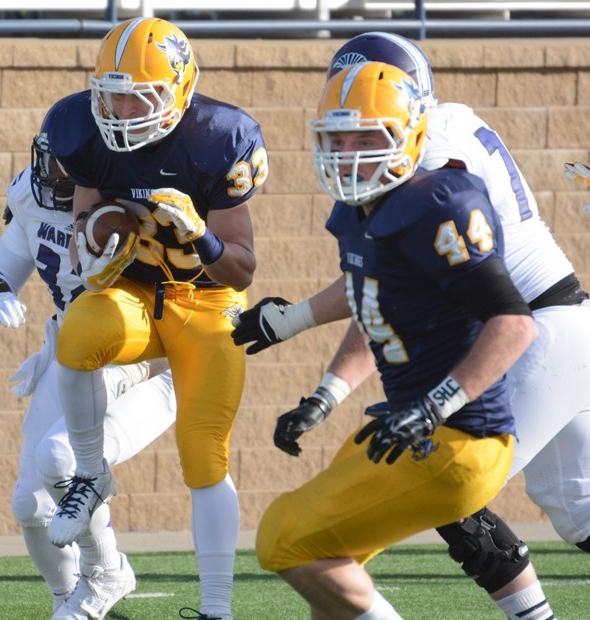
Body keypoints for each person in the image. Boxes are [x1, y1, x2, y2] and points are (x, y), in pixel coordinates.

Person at [234, 31, 589, 619]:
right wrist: (313, 369)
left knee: (445, 483)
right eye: (342, 129)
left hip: (531, 327)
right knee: (575, 505)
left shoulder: (432, 164)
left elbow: (409, 287)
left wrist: (293, 321)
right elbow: (384, 295)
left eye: (369, 130)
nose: (354, 146)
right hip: (555, 324)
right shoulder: (417, 146)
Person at [43, 16, 268, 620]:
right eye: (110, 93)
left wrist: (200, 236)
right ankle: (91, 475)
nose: (120, 109)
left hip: (205, 299)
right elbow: (84, 242)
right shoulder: (78, 129)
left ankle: (216, 609)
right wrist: (95, 244)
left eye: (137, 94)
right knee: (78, 333)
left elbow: (242, 272)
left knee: (203, 456)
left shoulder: (220, 137)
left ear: (179, 87)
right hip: (137, 293)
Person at [0, 127, 177, 618]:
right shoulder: (29, 193)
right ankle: (69, 598)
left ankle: (107, 571)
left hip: (147, 363)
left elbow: (185, 314)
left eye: (74, 167)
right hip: (71, 351)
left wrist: (134, 372)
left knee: (62, 458)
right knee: (30, 505)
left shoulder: (138, 205)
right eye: (55, 163)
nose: (60, 177)